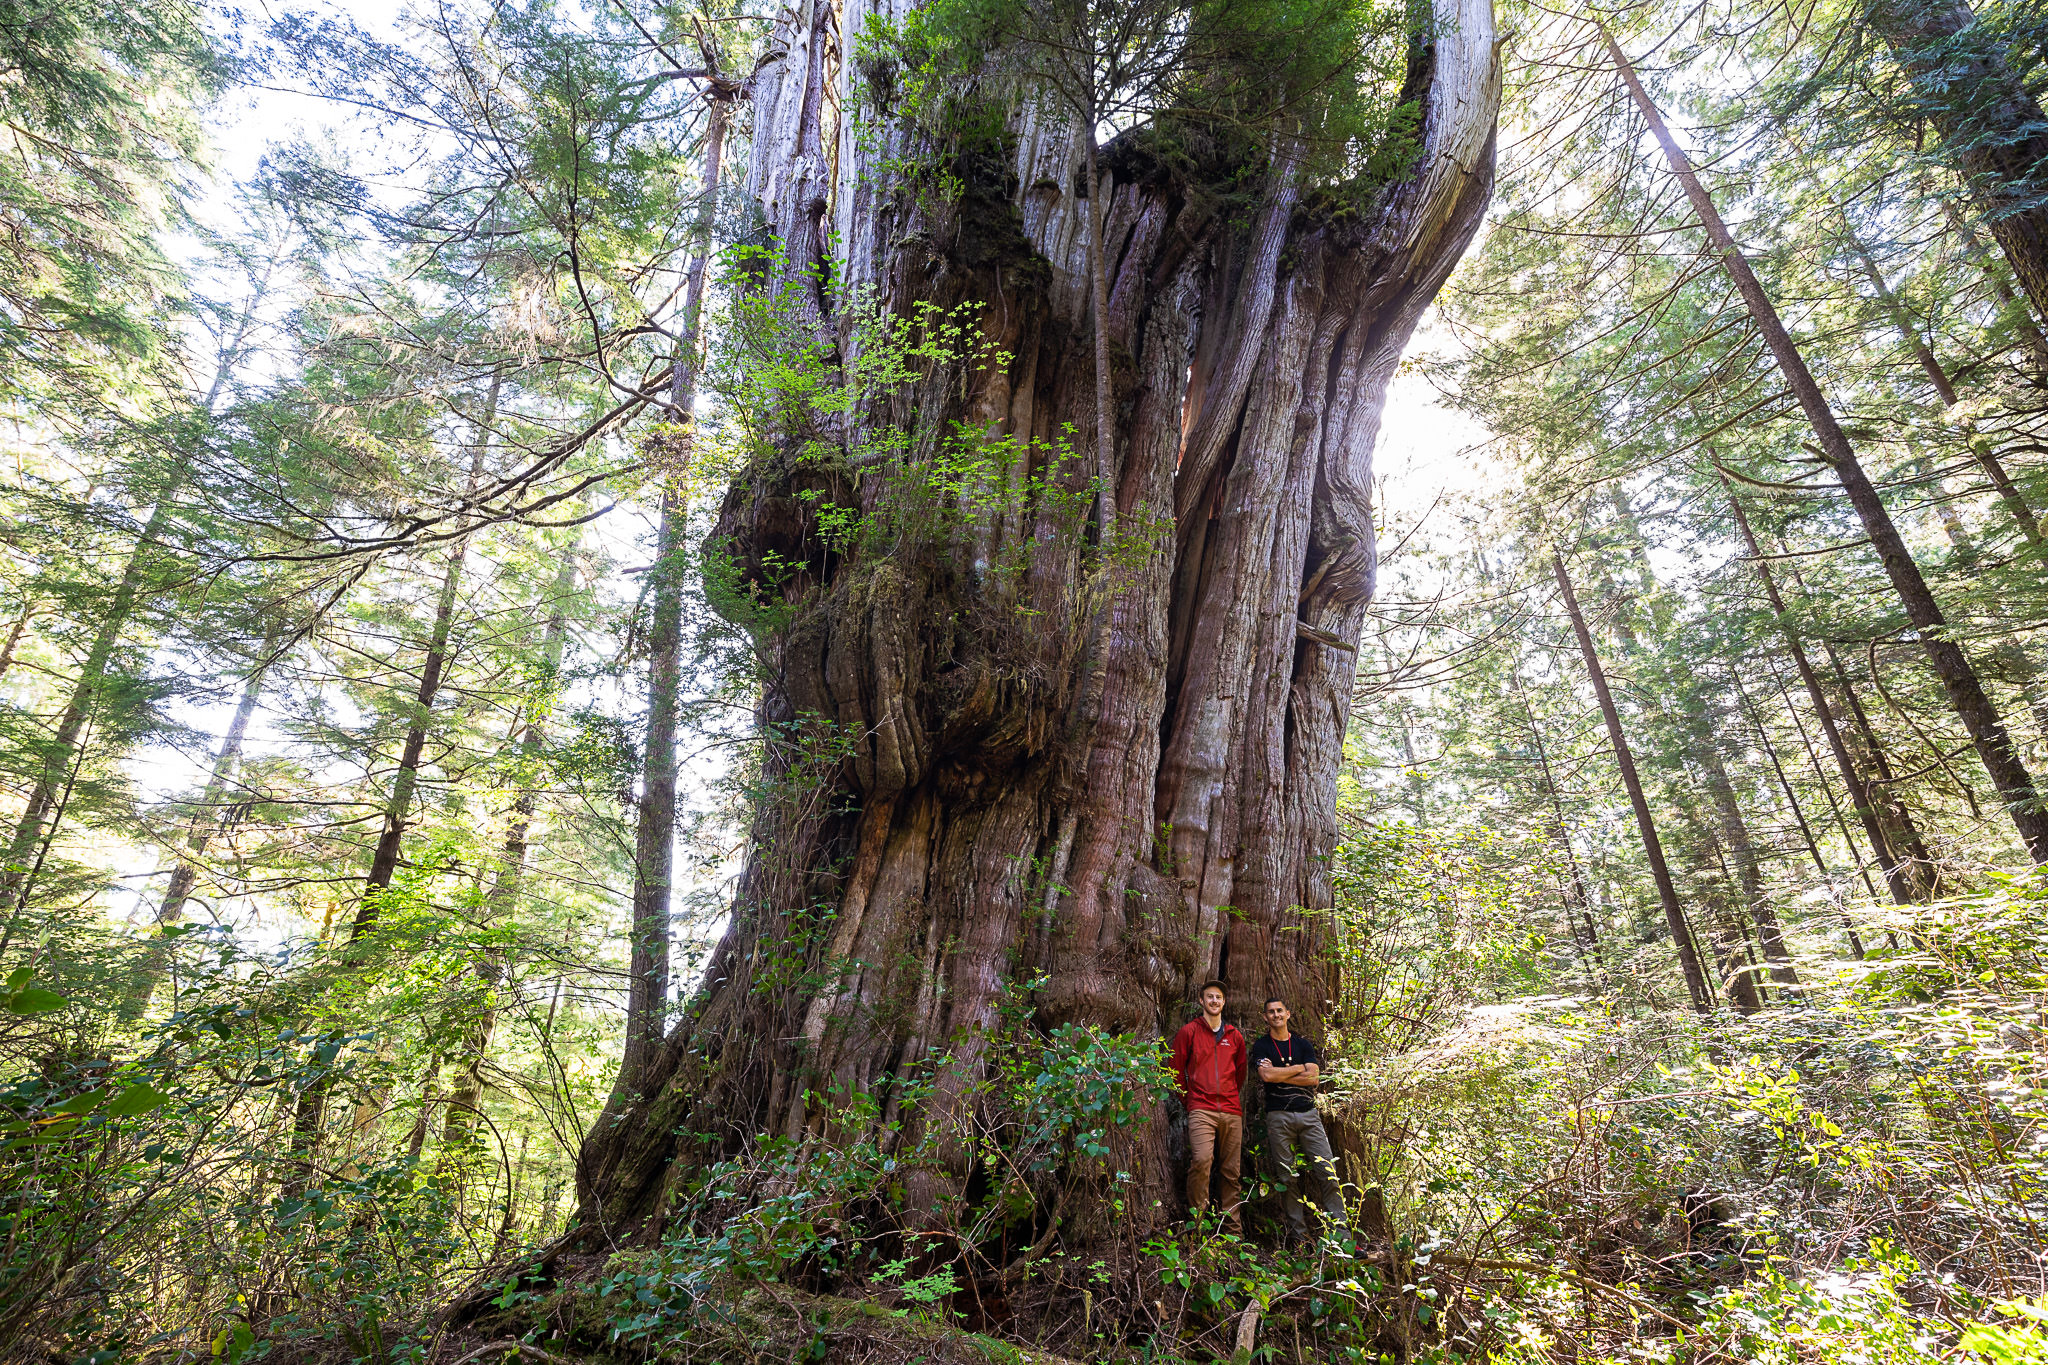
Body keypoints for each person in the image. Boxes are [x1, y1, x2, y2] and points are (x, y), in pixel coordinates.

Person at [1250, 996, 1345, 1245]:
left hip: (1309, 1115)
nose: (1276, 1015)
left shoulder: (1302, 1044)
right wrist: (1297, 1069)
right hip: (1278, 1116)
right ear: (1265, 1017)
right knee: (1287, 1178)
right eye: (1270, 1012)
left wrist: (1280, 1074)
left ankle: (1342, 1238)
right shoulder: (1261, 1046)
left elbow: (1313, 1079)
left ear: (1288, 1014)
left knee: (1327, 1172)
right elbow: (1266, 1075)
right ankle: (1300, 1239)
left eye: (1280, 1011)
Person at [1169, 980, 1247, 1234]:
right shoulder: (1189, 1032)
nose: (1214, 1001)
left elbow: (1240, 1073)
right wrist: (1189, 1100)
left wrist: (1230, 1096)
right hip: (1201, 1109)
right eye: (1209, 997)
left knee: (1231, 1171)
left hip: (1231, 1111)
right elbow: (1173, 1070)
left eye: (1219, 997)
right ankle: (1199, 1227)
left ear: (1224, 1002)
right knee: (1202, 1161)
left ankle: (1233, 1231)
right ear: (1201, 1001)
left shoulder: (1234, 1036)